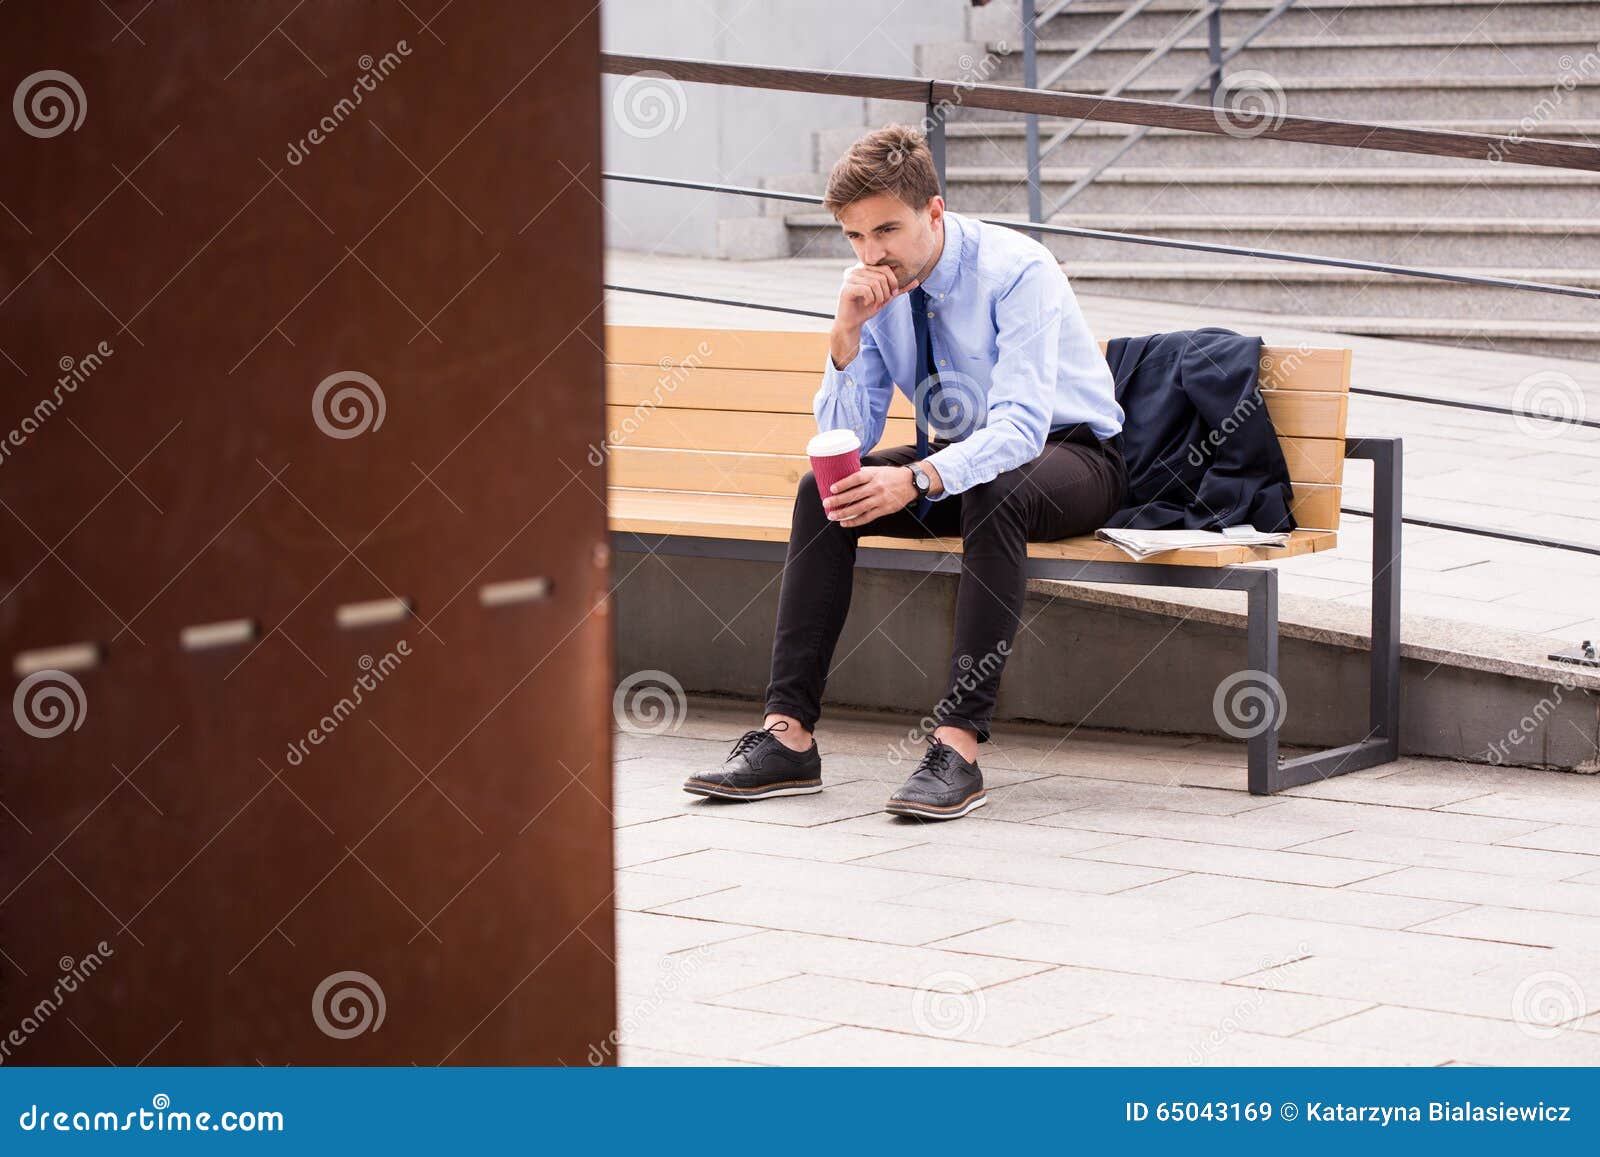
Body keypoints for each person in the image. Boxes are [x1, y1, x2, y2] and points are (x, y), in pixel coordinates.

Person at [684, 124, 1128, 821]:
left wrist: (918, 478)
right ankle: (787, 737)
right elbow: (851, 437)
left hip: (1073, 459)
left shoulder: (1018, 270)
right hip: (966, 460)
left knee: (994, 489)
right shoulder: (867, 287)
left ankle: (956, 747)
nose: (872, 254)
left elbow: (1017, 428)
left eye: (887, 230)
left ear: (935, 212)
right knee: (824, 491)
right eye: (856, 238)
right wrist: (846, 337)